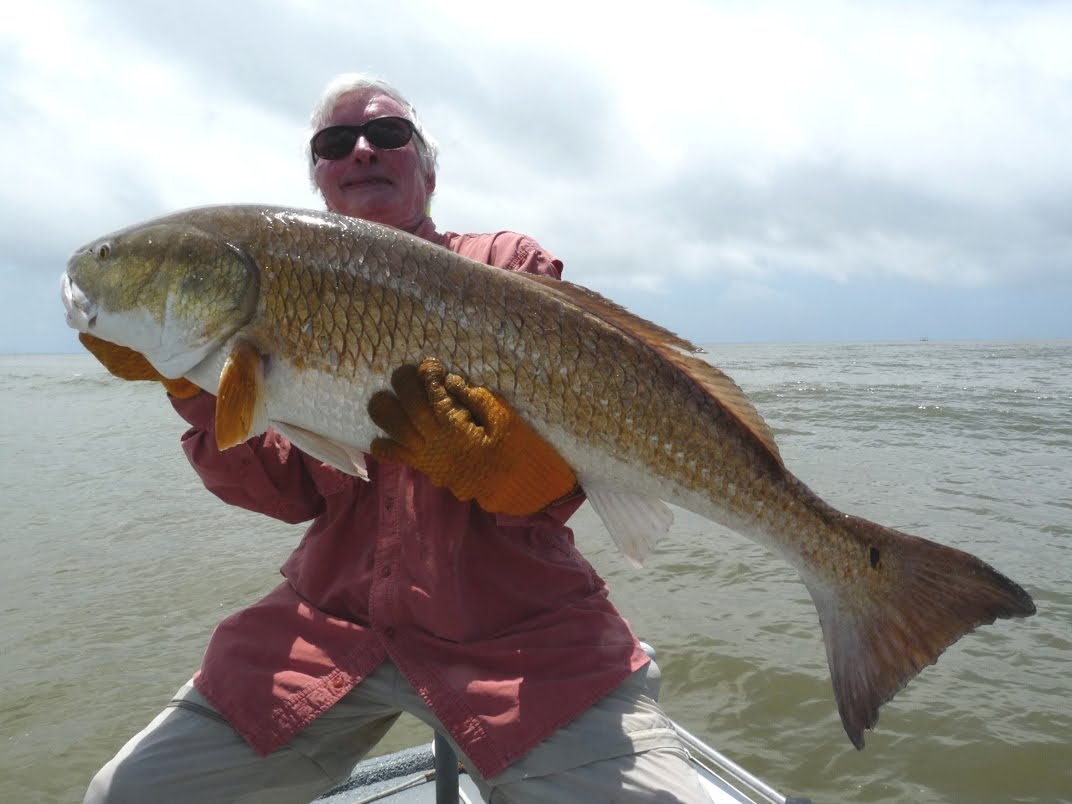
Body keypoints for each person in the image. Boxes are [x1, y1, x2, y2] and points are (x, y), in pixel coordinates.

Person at [84, 73, 709, 803]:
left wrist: (523, 475)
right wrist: (192, 389)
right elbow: (285, 493)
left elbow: (588, 426)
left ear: (428, 172)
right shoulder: (266, 298)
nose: (360, 150)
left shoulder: (504, 264)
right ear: (319, 184)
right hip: (330, 625)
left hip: (518, 630)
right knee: (125, 793)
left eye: (387, 134)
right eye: (333, 143)